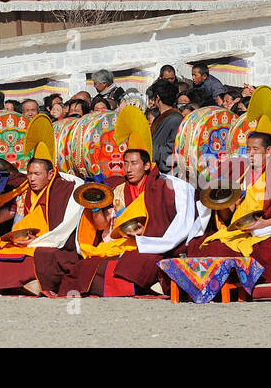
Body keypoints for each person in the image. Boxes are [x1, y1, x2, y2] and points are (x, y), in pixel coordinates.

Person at [186, 88, 271, 296]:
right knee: (201, 246)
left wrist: (262, 224)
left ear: (269, 151)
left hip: (270, 230)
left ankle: (237, 287)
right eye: (248, 149)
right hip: (241, 230)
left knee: (263, 252)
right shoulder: (242, 172)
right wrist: (219, 205)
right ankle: (217, 287)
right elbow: (230, 217)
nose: (250, 154)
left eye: (255, 150)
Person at [62, 106, 194, 296]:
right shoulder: (116, 188)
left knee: (134, 262)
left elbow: (167, 224)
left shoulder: (160, 187)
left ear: (147, 165)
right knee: (89, 265)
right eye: (125, 163)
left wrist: (145, 232)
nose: (128, 169)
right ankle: (137, 285)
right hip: (119, 243)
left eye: (134, 163)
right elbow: (101, 226)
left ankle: (140, 284)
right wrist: (95, 207)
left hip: (146, 244)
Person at [0, 115, 84, 295]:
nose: (32, 178)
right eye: (30, 173)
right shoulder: (22, 192)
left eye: (37, 174)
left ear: (50, 175)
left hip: (44, 245)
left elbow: (63, 231)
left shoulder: (63, 192)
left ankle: (24, 283)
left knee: (47, 257)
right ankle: (15, 284)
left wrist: (40, 241)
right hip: (20, 244)